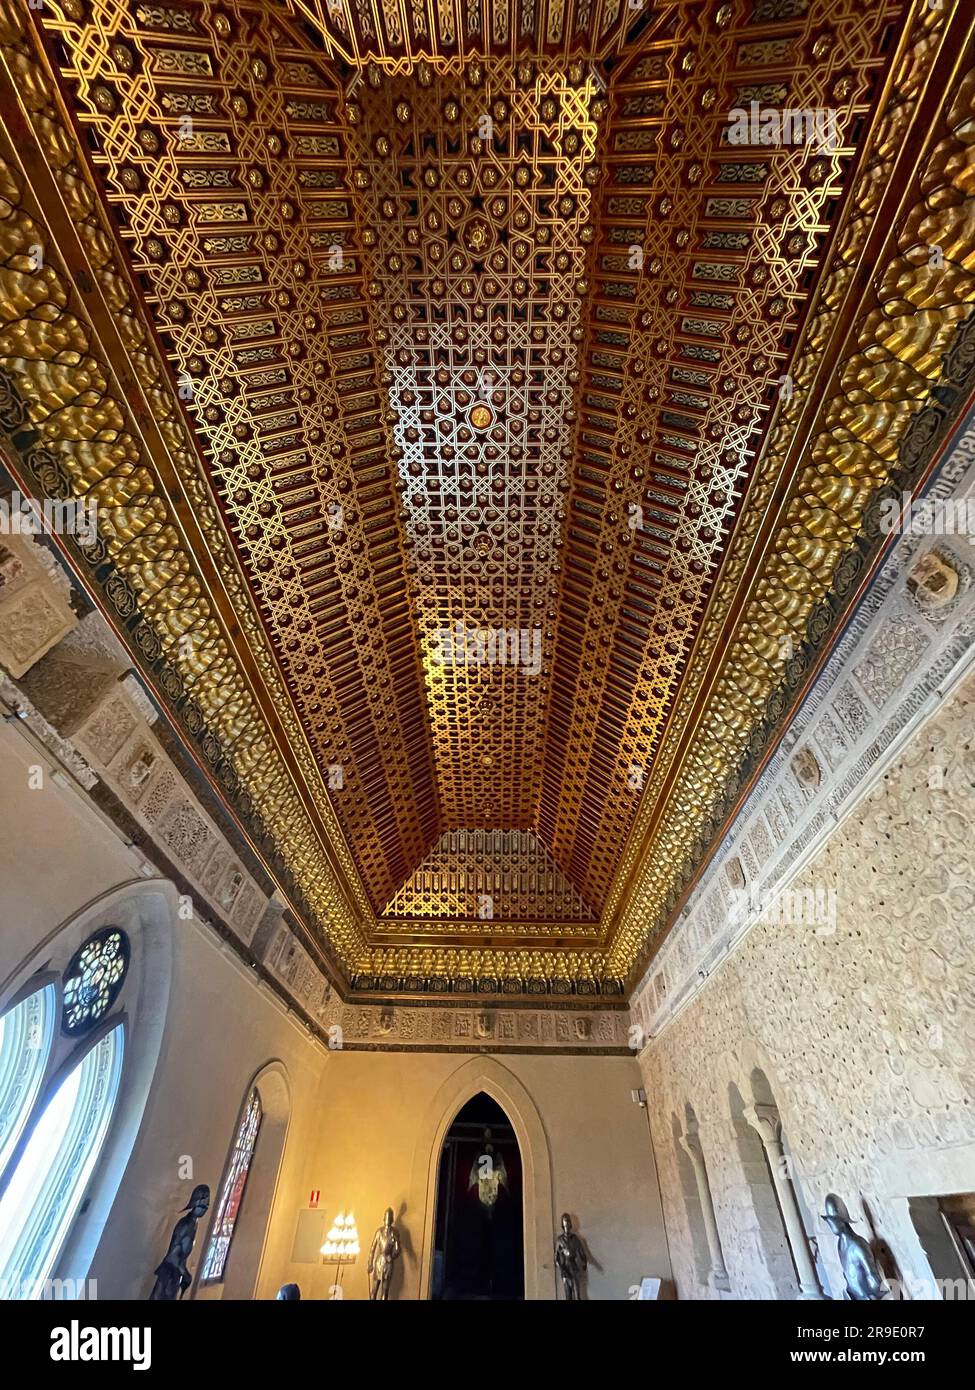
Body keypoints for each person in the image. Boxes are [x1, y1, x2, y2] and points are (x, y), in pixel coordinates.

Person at [149, 1184, 210, 1300]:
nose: (205, 1208)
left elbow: (182, 1256)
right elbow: (173, 1256)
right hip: (168, 1274)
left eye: (206, 1206)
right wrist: (185, 1274)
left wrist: (183, 1273)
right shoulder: (186, 1224)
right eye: (202, 1205)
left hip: (174, 1275)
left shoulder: (194, 1224)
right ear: (195, 1203)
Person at [368, 1207, 401, 1300]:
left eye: (389, 1218)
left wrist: (392, 1256)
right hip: (379, 1262)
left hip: (388, 1262)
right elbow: (372, 1248)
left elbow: (398, 1250)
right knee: (374, 1290)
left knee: (385, 1290)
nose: (388, 1220)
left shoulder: (395, 1232)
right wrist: (370, 1263)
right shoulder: (379, 1232)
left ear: (392, 1219)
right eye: (386, 1218)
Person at [554, 1212, 587, 1300]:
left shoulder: (575, 1239)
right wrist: (562, 1268)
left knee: (577, 1293)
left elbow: (582, 1253)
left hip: (574, 1267)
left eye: (568, 1221)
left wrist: (584, 1262)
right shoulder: (560, 1240)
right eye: (565, 1221)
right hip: (564, 1268)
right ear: (562, 1223)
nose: (567, 1223)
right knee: (568, 1295)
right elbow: (556, 1258)